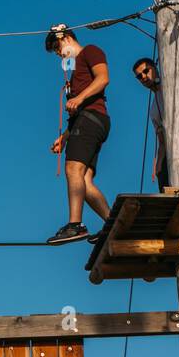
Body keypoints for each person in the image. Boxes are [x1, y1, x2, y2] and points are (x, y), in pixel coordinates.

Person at [45, 24, 112, 244]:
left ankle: (76, 225)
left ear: (66, 38)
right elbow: (76, 113)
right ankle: (112, 225)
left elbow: (103, 78)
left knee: (73, 168)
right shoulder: (75, 75)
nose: (58, 53)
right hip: (87, 122)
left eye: (57, 47)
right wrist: (64, 138)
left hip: (92, 118)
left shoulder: (90, 51)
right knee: (84, 180)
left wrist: (79, 97)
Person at [133, 56, 170, 192]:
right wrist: (158, 163)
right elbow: (162, 141)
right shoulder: (154, 110)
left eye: (146, 71)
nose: (143, 76)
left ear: (155, 68)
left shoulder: (173, 87)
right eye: (139, 76)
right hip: (169, 154)